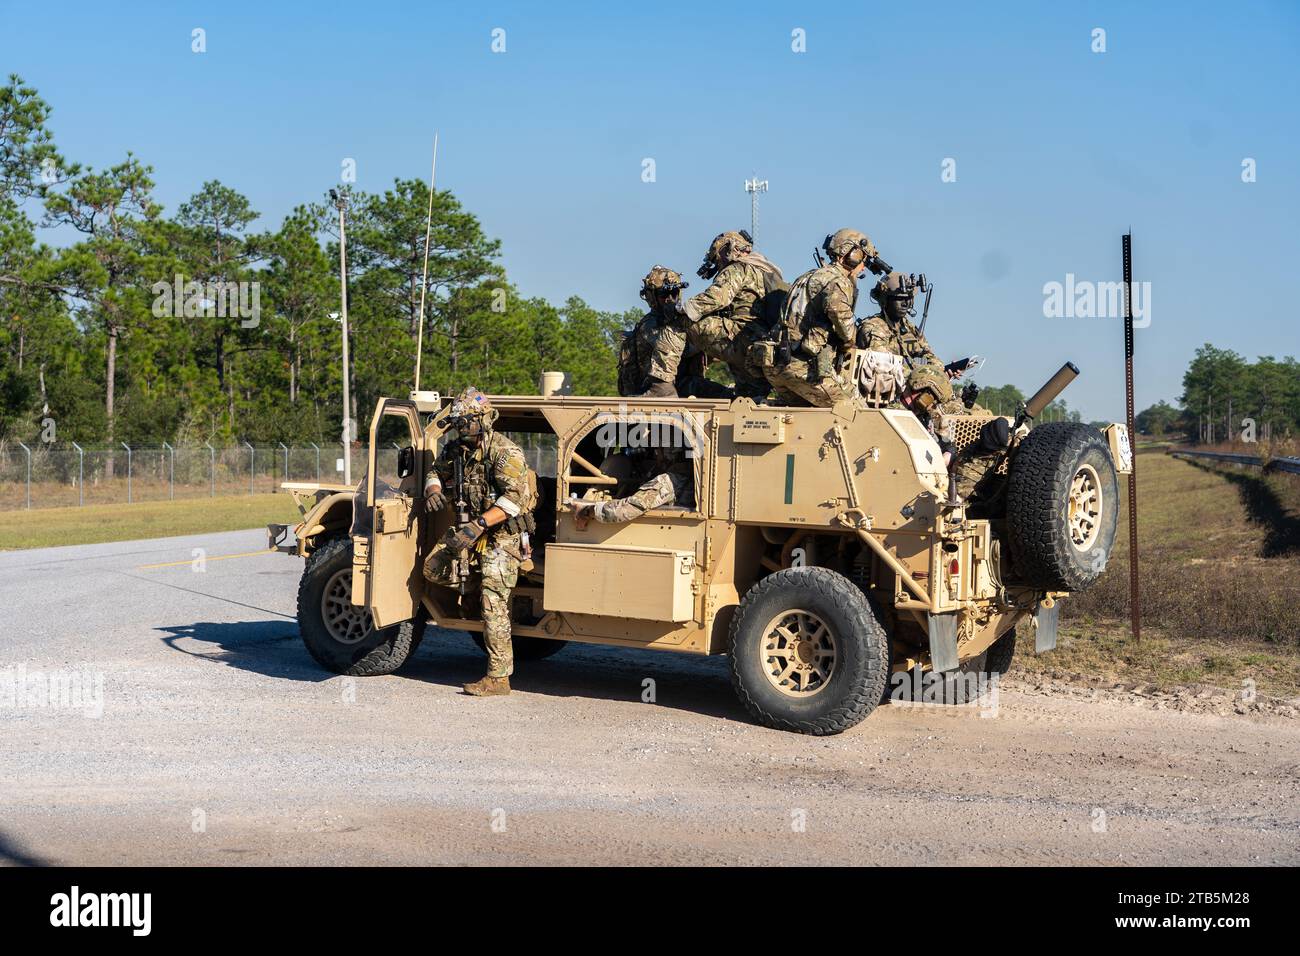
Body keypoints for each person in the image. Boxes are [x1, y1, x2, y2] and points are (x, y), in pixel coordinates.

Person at [422, 387, 536, 697]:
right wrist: (433, 490)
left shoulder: (506, 452)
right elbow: (435, 471)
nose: (461, 429)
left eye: (466, 423)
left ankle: (498, 678)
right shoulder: (457, 450)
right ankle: (470, 588)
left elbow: (515, 500)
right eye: (458, 423)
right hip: (470, 528)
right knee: (432, 569)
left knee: (493, 602)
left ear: (483, 420)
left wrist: (479, 525)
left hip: (502, 535)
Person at [765, 228, 882, 407]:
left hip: (776, 364)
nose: (863, 266)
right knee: (856, 410)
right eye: (863, 259)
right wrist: (851, 343)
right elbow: (844, 325)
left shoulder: (809, 275)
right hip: (801, 367)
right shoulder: (837, 281)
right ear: (852, 255)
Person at [677, 230, 786, 400]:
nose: (718, 263)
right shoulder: (765, 270)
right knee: (748, 398)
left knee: (686, 322)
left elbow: (716, 298)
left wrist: (683, 309)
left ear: (728, 250)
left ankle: (664, 382)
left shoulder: (737, 268)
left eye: (717, 257)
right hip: (762, 346)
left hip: (742, 337)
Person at [568, 447, 693, 527]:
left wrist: (588, 511)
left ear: (668, 455)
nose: (656, 456)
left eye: (658, 450)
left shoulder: (669, 481)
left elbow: (631, 507)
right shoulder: (690, 475)